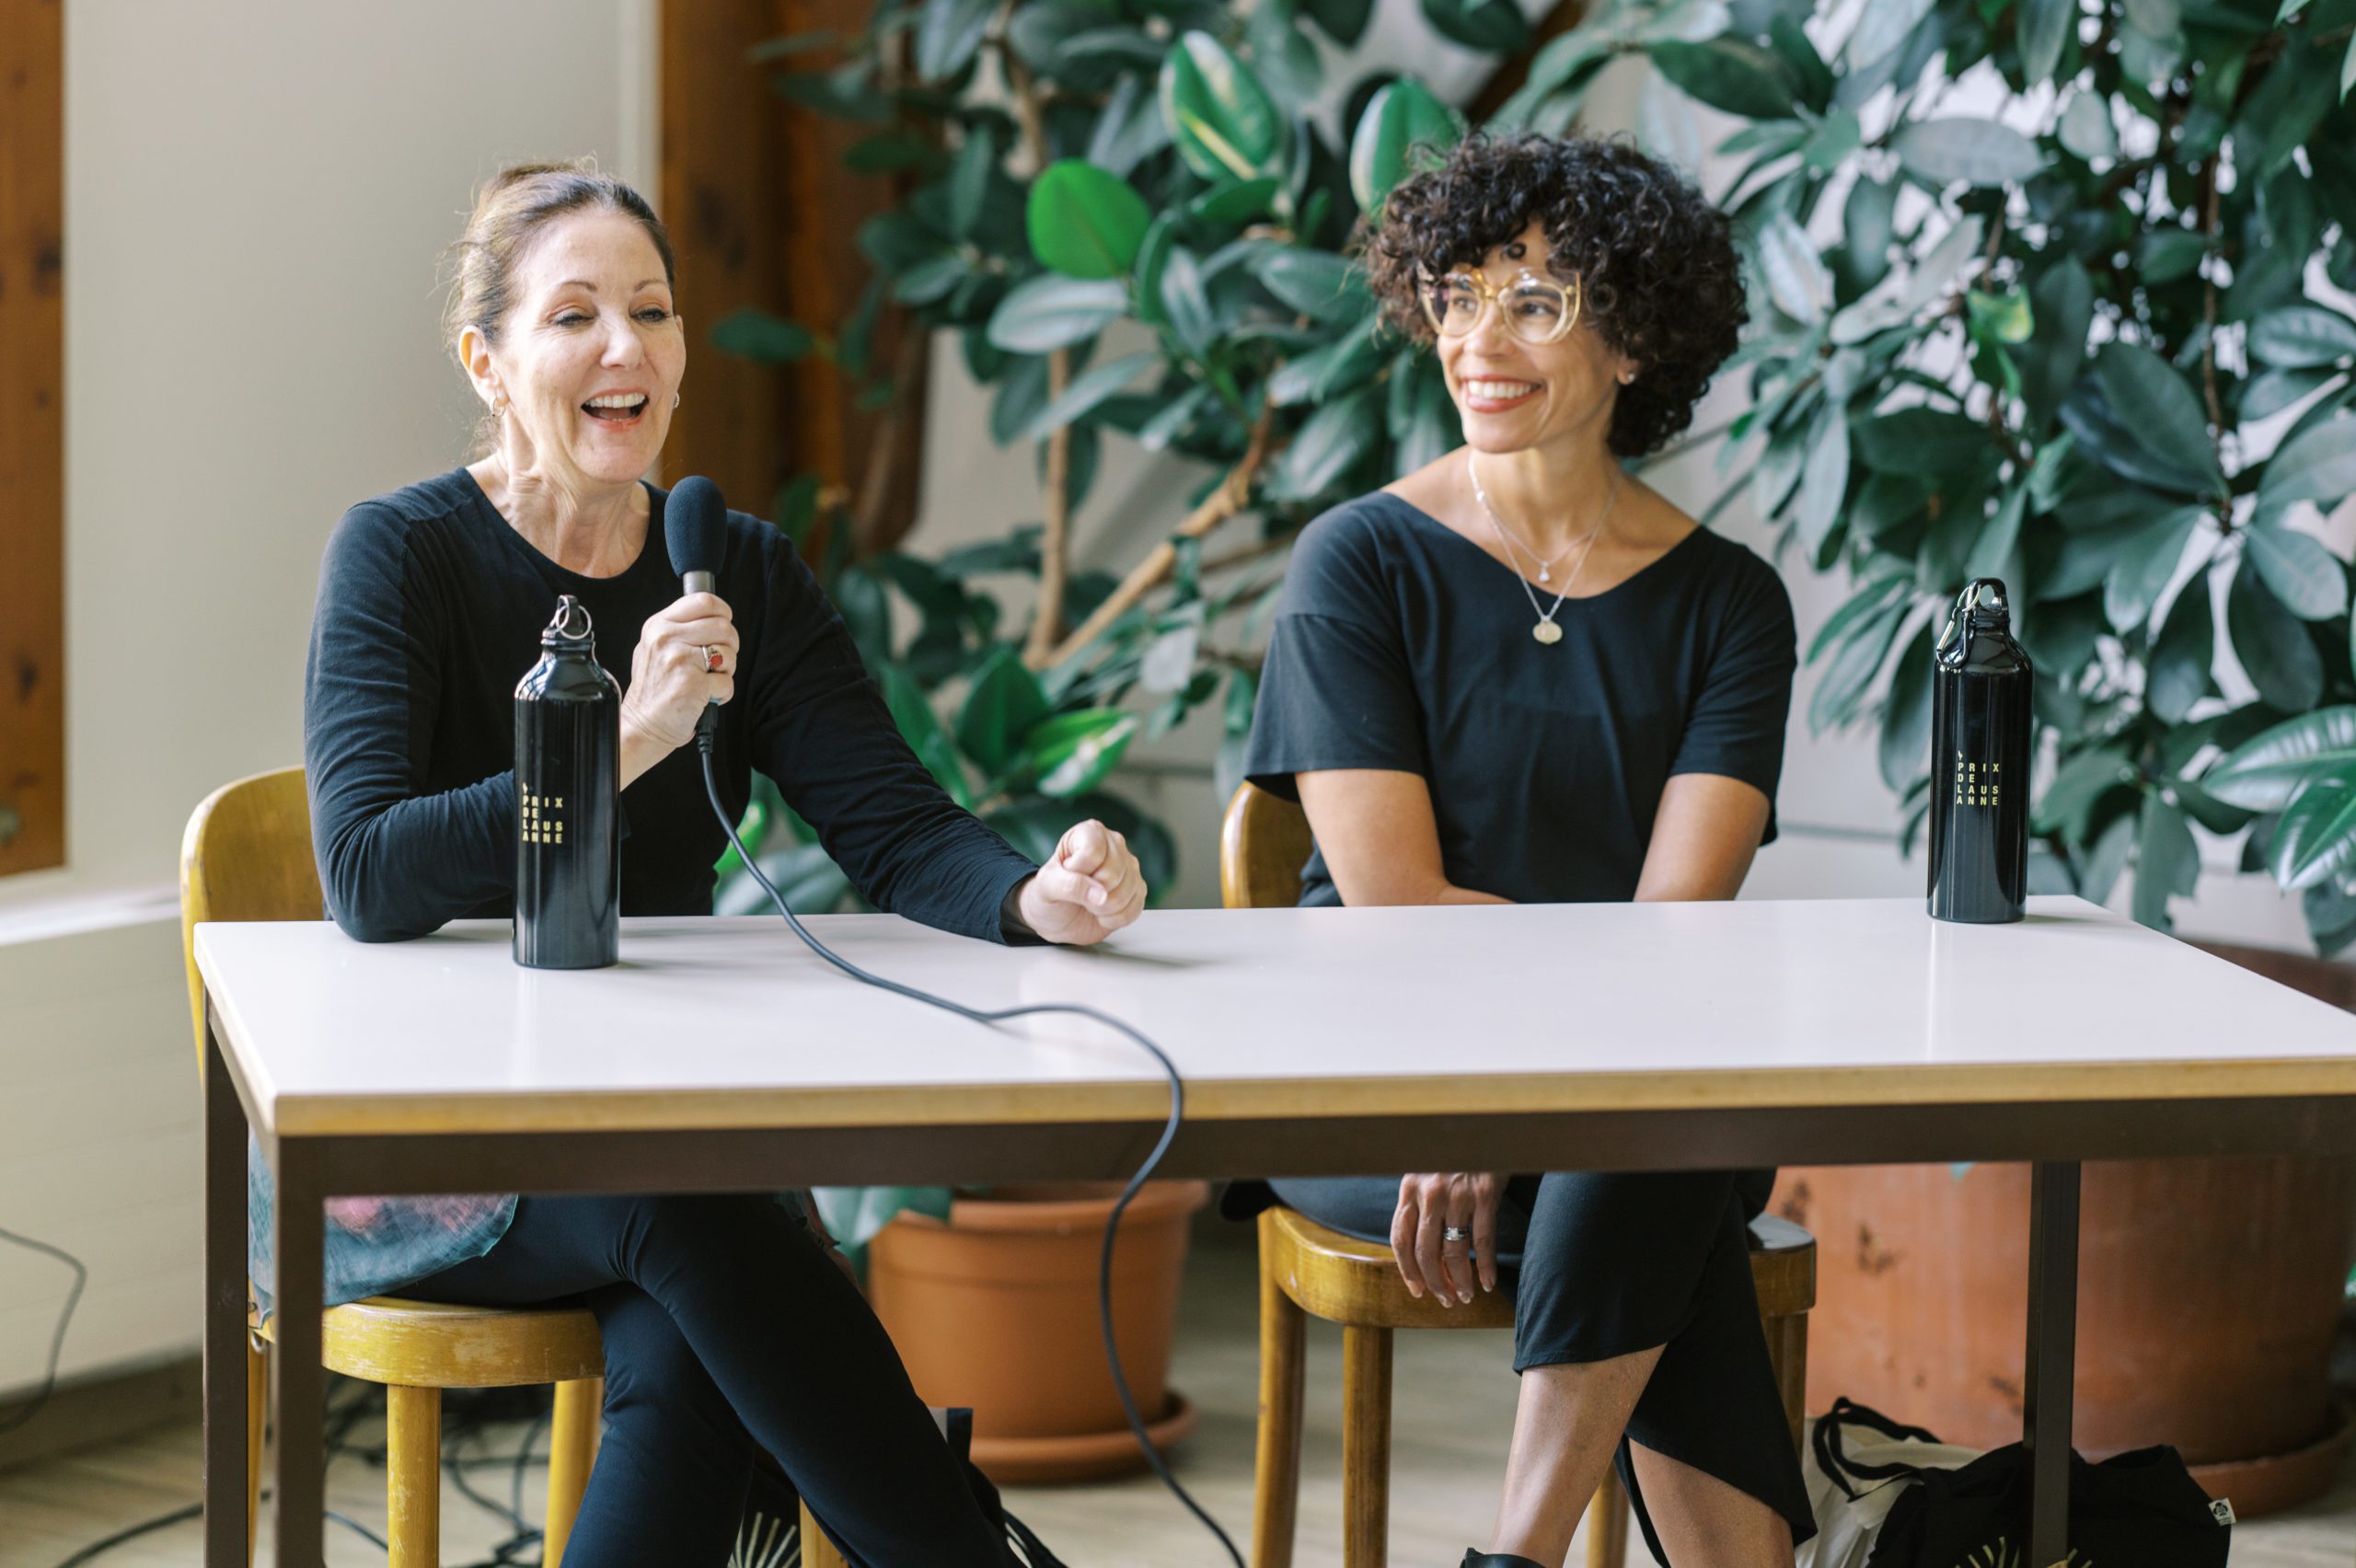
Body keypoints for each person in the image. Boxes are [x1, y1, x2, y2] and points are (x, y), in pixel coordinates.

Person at [276, 162, 1147, 1567]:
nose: (627, 347)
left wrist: (1032, 898)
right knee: (703, 1206)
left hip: (640, 1140)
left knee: (696, 1330)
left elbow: (895, 825)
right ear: (487, 364)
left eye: (654, 310)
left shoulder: (727, 565)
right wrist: (619, 739)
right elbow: (367, 876)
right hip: (423, 1154)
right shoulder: (399, 556)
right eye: (575, 316)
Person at [1236, 133, 1809, 1568]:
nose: (1478, 340)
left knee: (1644, 1135)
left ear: (1635, 340)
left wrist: (1530, 1115)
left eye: (1537, 301)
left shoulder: (1732, 608)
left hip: (1621, 1089)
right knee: (1663, 1152)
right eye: (1456, 293)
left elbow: (1677, 932)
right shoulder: (1357, 560)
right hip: (1387, 1085)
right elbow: (1400, 910)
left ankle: (1515, 1555)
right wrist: (1488, 1105)